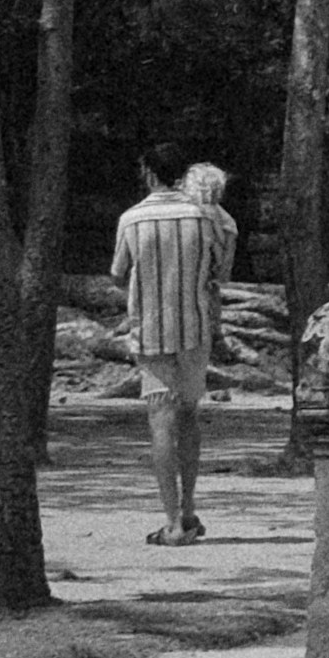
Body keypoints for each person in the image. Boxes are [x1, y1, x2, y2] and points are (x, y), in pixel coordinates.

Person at [112, 144, 229, 539]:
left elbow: (117, 272)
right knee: (190, 416)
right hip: (194, 330)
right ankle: (191, 508)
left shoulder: (131, 219)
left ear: (148, 173)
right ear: (182, 173)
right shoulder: (205, 218)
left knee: (160, 423)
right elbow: (220, 269)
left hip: (150, 331)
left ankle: (171, 521)